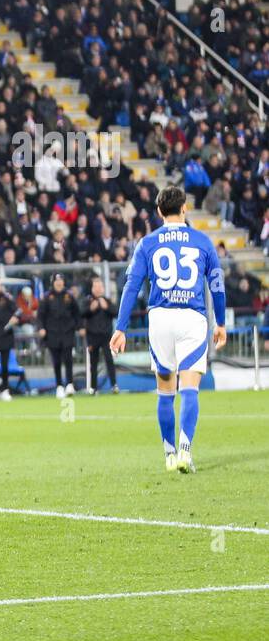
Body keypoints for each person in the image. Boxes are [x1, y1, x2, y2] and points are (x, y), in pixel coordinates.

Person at [111, 185, 227, 473]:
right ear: (185, 208)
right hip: (192, 318)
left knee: (165, 389)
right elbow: (217, 286)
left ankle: (169, 454)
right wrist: (221, 323)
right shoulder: (202, 241)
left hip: (161, 317)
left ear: (159, 212)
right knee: (190, 387)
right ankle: (186, 450)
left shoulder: (147, 243)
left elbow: (132, 286)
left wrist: (121, 327)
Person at [39, 273, 81, 398]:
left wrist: (79, 326)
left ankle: (69, 384)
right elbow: (40, 315)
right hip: (52, 333)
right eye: (57, 281)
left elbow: (76, 313)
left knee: (68, 359)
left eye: (61, 280)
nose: (59, 283)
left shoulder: (69, 296)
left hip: (67, 332)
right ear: (53, 283)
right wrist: (41, 328)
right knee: (56, 361)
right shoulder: (47, 297)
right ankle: (59, 385)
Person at [81, 276, 118, 394]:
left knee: (109, 361)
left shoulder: (106, 301)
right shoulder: (87, 301)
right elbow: (82, 313)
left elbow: (115, 312)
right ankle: (93, 387)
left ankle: (114, 385)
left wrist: (106, 307)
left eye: (100, 286)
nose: (98, 289)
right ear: (92, 288)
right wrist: (91, 309)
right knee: (93, 362)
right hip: (92, 336)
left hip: (106, 336)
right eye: (95, 286)